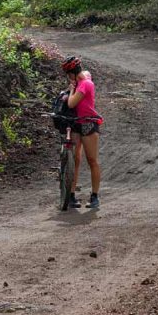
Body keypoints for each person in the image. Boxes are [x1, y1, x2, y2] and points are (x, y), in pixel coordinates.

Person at [60, 56, 102, 209]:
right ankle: (70, 195)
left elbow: (72, 103)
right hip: (77, 123)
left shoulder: (84, 85)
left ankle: (95, 196)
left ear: (71, 73)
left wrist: (71, 91)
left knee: (92, 160)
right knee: (75, 160)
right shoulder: (84, 78)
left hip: (89, 123)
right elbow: (87, 72)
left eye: (67, 74)